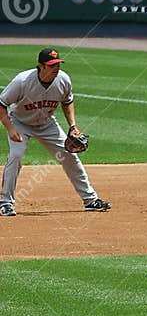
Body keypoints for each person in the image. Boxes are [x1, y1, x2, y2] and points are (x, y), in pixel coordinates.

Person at [0, 49, 111, 217]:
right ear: (41, 66)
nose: (56, 68)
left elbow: (68, 102)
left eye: (57, 64)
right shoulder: (22, 81)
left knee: (70, 156)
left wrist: (73, 126)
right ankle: (5, 203)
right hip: (20, 123)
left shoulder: (63, 80)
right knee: (16, 155)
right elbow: (1, 104)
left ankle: (90, 200)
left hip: (47, 124)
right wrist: (11, 129)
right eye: (51, 65)